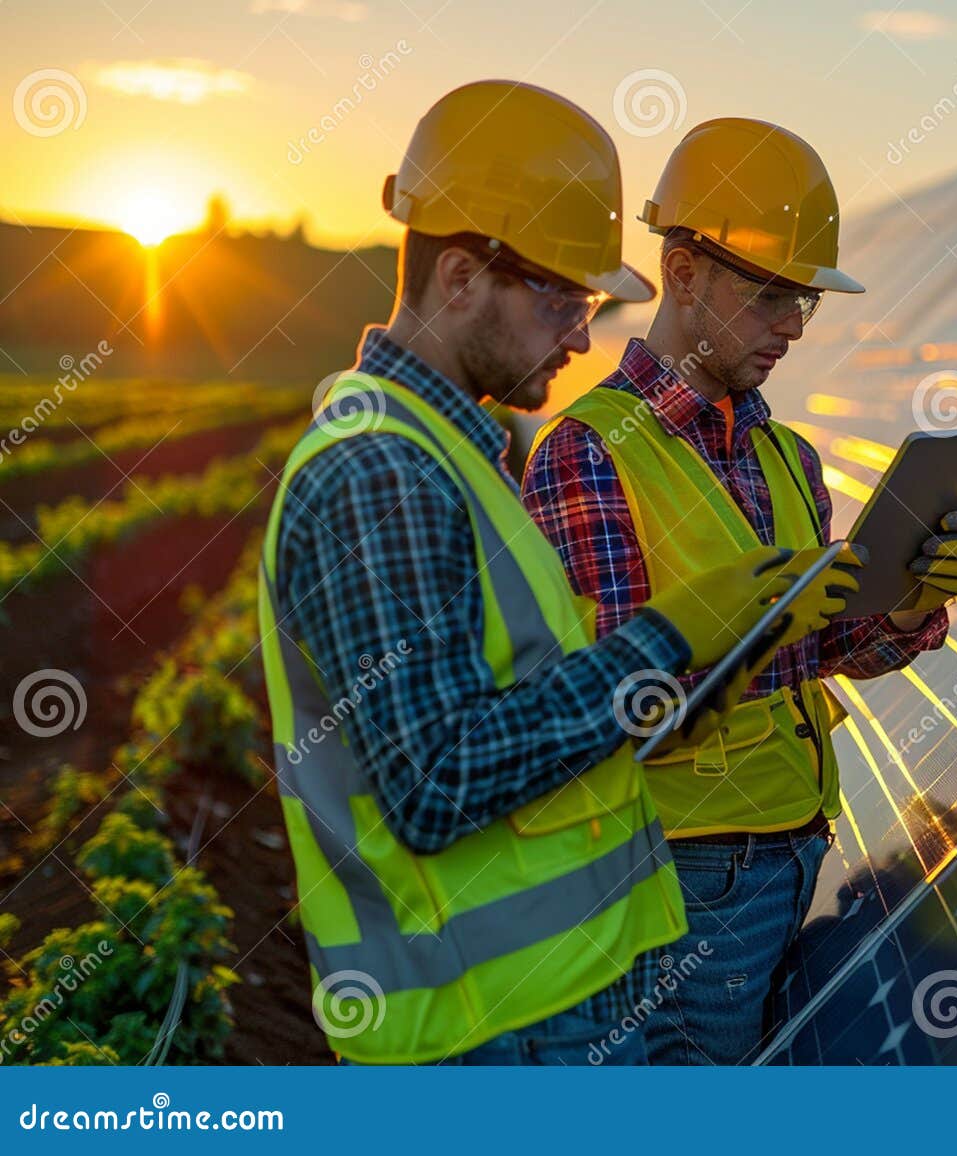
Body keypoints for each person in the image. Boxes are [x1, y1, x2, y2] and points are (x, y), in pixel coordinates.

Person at [258, 84, 855, 1066]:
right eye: (561, 301)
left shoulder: (452, 458)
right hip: (486, 1024)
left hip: (546, 998)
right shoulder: (379, 471)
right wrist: (671, 637)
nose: (581, 338)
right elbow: (437, 780)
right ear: (460, 276)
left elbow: (534, 702)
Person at [524, 118, 957, 1064]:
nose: (794, 326)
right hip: (683, 873)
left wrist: (908, 600)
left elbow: (829, 650)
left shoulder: (787, 457)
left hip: (797, 851)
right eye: (771, 294)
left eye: (804, 301)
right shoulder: (589, 453)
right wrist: (755, 628)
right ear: (684, 273)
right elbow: (620, 709)